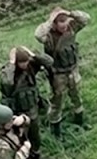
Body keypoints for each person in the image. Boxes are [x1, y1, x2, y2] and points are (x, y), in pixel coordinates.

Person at [35, 7, 91, 137]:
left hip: (73, 70)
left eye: (65, 21)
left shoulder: (71, 29)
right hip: (58, 75)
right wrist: (50, 20)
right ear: (54, 24)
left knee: (76, 95)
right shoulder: (48, 37)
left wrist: (71, 13)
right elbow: (37, 34)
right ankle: (56, 130)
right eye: (60, 22)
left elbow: (86, 18)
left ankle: (80, 121)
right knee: (57, 100)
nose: (64, 25)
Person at [0, 46, 54, 159]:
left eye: (26, 62)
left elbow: (49, 62)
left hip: (32, 111)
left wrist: (32, 54)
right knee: (21, 141)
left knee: (35, 138)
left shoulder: (31, 67)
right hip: (18, 115)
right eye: (21, 63)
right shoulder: (9, 72)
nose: (24, 65)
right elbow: (7, 83)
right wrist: (12, 63)